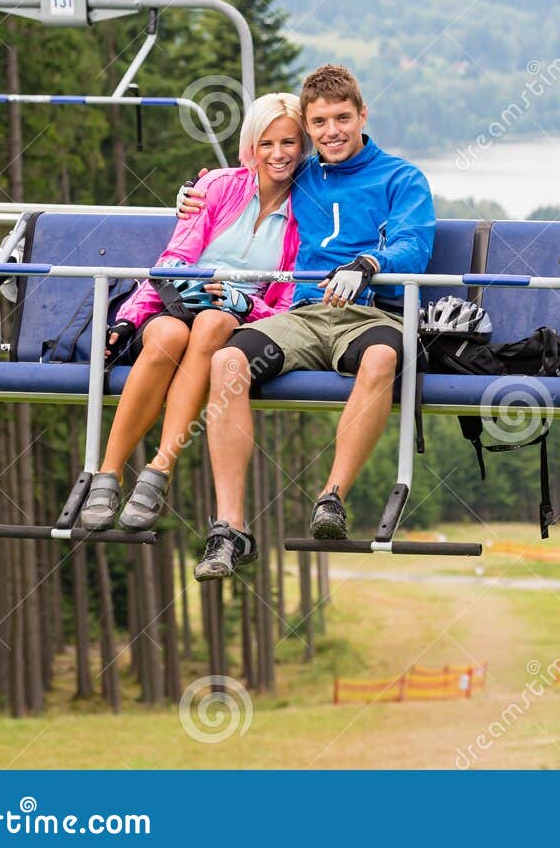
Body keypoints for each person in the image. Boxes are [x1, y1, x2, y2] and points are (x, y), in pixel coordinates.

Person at [189, 64, 435, 580]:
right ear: (308, 126)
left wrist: (369, 264)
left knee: (382, 357)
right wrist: (195, 194)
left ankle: (332, 498)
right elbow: (246, 182)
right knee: (228, 360)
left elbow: (414, 245)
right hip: (303, 314)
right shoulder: (301, 173)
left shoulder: (400, 178)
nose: (332, 132)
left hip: (370, 312)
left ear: (362, 115)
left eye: (342, 118)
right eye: (319, 123)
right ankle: (229, 528)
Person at [78, 93, 304, 531]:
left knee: (212, 323)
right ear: (251, 146)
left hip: (236, 315)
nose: (278, 154)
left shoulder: (304, 215)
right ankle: (109, 472)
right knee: (166, 336)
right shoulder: (217, 187)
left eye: (289, 143)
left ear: (302, 147)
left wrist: (244, 304)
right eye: (267, 143)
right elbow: (173, 259)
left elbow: (286, 304)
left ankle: (160, 467)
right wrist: (128, 318)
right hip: (182, 299)